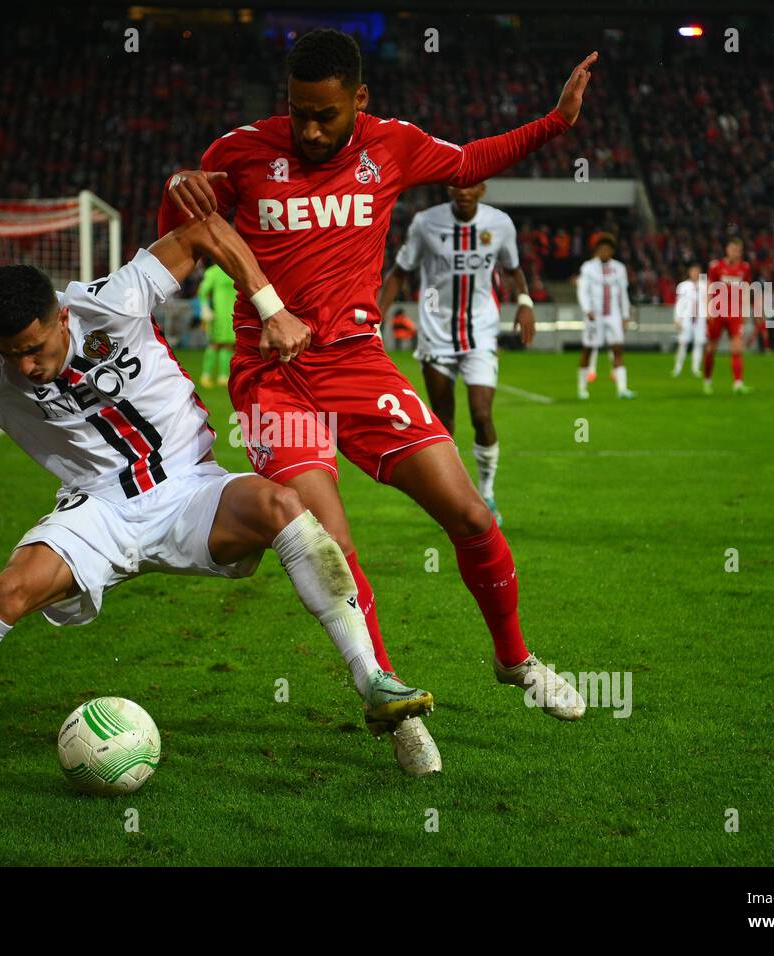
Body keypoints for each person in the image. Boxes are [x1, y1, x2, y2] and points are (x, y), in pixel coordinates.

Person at [0, 210, 433, 807]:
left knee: (283, 504)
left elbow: (203, 231)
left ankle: (371, 681)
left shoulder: (115, 298)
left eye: (38, 348)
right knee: (5, 593)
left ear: (63, 317)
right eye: (15, 356)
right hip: (98, 514)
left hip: (191, 490)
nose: (30, 367)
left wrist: (270, 303)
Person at [158, 29, 592, 775]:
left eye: (326, 114)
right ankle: (390, 701)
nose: (311, 129)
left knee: (470, 514)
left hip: (359, 366)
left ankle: (515, 661)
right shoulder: (239, 153)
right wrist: (179, 194)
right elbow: (182, 241)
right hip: (272, 376)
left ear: (359, 99)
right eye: (299, 113)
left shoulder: (393, 145)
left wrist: (555, 122)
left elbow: (472, 159)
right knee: (331, 542)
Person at [378, 182, 535, 523]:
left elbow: (512, 269)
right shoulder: (425, 223)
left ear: (482, 189)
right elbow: (400, 272)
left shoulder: (500, 224)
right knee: (443, 424)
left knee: (481, 414)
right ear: (448, 188)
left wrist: (524, 301)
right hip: (436, 333)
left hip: (480, 332)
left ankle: (488, 493)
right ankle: (455, 499)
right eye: (457, 185)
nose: (463, 191)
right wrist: (376, 318)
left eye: (471, 185)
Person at [575, 234, 634, 399]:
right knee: (587, 349)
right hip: (595, 315)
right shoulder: (588, 267)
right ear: (597, 250)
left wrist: (625, 315)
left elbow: (623, 293)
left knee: (617, 349)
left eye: (608, 249)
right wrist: (587, 310)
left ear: (612, 251)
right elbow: (582, 290)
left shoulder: (619, 268)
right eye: (602, 249)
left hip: (613, 314)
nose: (605, 252)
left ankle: (622, 389)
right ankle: (582, 388)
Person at [702, 237, 753, 395]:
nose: (736, 253)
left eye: (739, 250)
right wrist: (708, 309)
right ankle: (707, 381)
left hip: (735, 313)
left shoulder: (745, 268)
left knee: (737, 347)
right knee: (711, 348)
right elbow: (710, 287)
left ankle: (738, 384)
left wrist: (746, 310)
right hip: (717, 312)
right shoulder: (716, 266)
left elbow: (745, 288)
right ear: (727, 250)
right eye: (733, 249)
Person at [196, 262, 236, 386]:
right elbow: (203, 291)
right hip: (218, 314)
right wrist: (205, 307)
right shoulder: (213, 271)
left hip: (234, 313)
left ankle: (224, 376)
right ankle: (206, 375)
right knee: (215, 343)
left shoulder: (234, 269)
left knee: (230, 344)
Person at [672, 262, 706, 377]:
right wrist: (677, 318)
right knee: (683, 343)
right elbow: (679, 303)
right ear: (689, 272)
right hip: (687, 318)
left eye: (697, 271)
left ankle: (696, 369)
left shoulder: (705, 285)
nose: (695, 273)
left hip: (700, 318)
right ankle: (677, 368)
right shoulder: (683, 286)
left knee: (699, 343)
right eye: (693, 271)